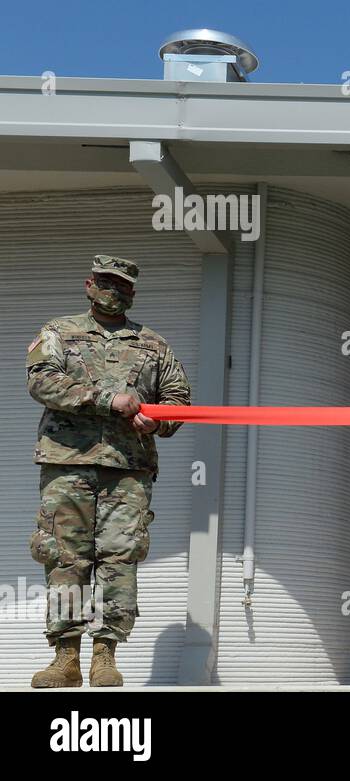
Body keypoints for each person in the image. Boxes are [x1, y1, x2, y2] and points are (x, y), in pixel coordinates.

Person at [26, 255, 191, 688]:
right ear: (89, 284)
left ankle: (106, 656)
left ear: (133, 293)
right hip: (67, 462)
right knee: (66, 558)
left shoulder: (154, 345)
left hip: (128, 468)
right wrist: (106, 399)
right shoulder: (59, 332)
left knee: (120, 560)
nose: (113, 291)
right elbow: (41, 380)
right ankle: (65, 659)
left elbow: (178, 401)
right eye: (106, 282)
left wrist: (159, 420)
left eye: (123, 286)